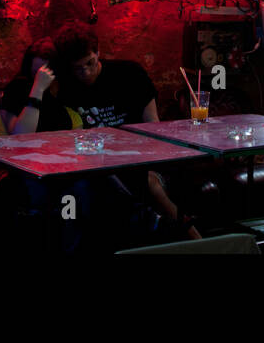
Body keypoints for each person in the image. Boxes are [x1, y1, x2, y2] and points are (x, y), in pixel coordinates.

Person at [51, 24, 201, 241]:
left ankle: (194, 238)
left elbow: (153, 126)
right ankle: (158, 225)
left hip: (136, 159)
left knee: (143, 181)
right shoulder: (65, 88)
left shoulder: (129, 74)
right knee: (85, 184)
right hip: (93, 166)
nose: (85, 72)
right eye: (77, 68)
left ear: (98, 53)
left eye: (90, 63)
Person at [0, 38, 81, 135]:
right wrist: (38, 88)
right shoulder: (17, 88)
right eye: (37, 73)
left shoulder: (61, 87)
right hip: (28, 148)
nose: (42, 76)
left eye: (47, 72)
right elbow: (20, 135)